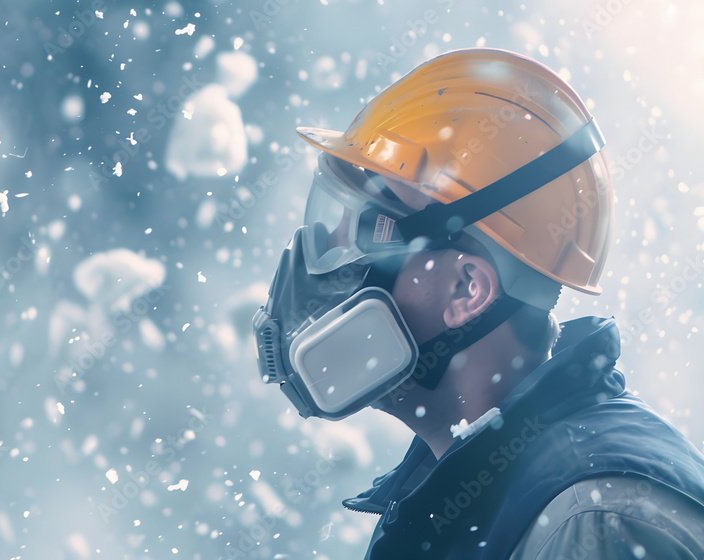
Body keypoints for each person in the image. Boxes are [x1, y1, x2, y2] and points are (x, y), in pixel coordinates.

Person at [252, 48, 704, 559]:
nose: (330, 257)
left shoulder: (595, 524)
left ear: (469, 290)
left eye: (365, 229)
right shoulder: (476, 498)